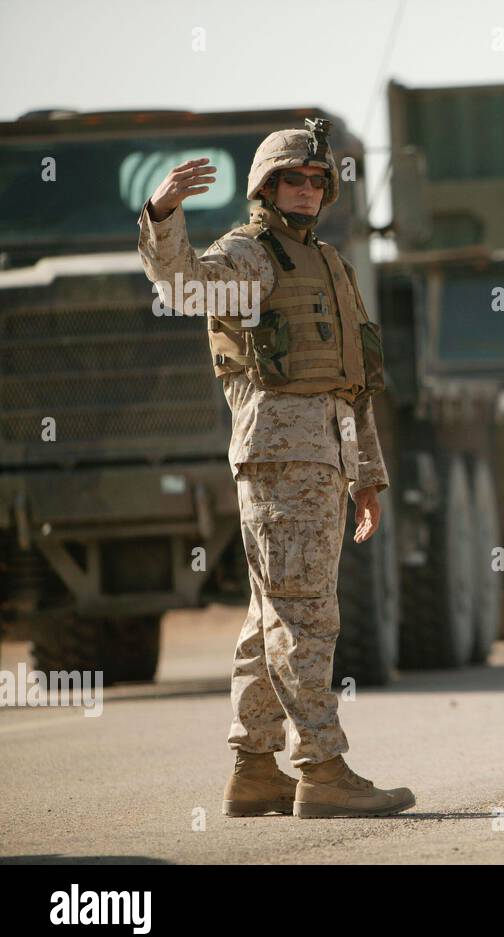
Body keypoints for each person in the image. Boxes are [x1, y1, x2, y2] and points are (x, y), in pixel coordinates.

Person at [136, 118, 414, 818]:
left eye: (318, 179)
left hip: (320, 461)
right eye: (294, 177)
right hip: (281, 461)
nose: (308, 189)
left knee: (272, 619)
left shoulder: (329, 263)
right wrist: (163, 214)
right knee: (306, 617)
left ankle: (255, 767)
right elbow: (184, 286)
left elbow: (355, 382)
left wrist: (368, 475)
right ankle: (321, 767)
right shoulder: (254, 257)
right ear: (267, 186)